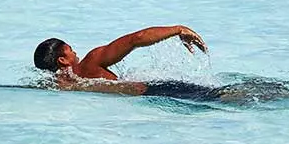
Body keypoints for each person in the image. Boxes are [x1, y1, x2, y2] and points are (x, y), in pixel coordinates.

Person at [32, 26, 209, 96]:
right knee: (222, 96)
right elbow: (136, 39)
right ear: (62, 60)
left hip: (140, 101)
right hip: (155, 91)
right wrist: (178, 30)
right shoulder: (90, 63)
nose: (75, 52)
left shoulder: (56, 86)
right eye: (70, 50)